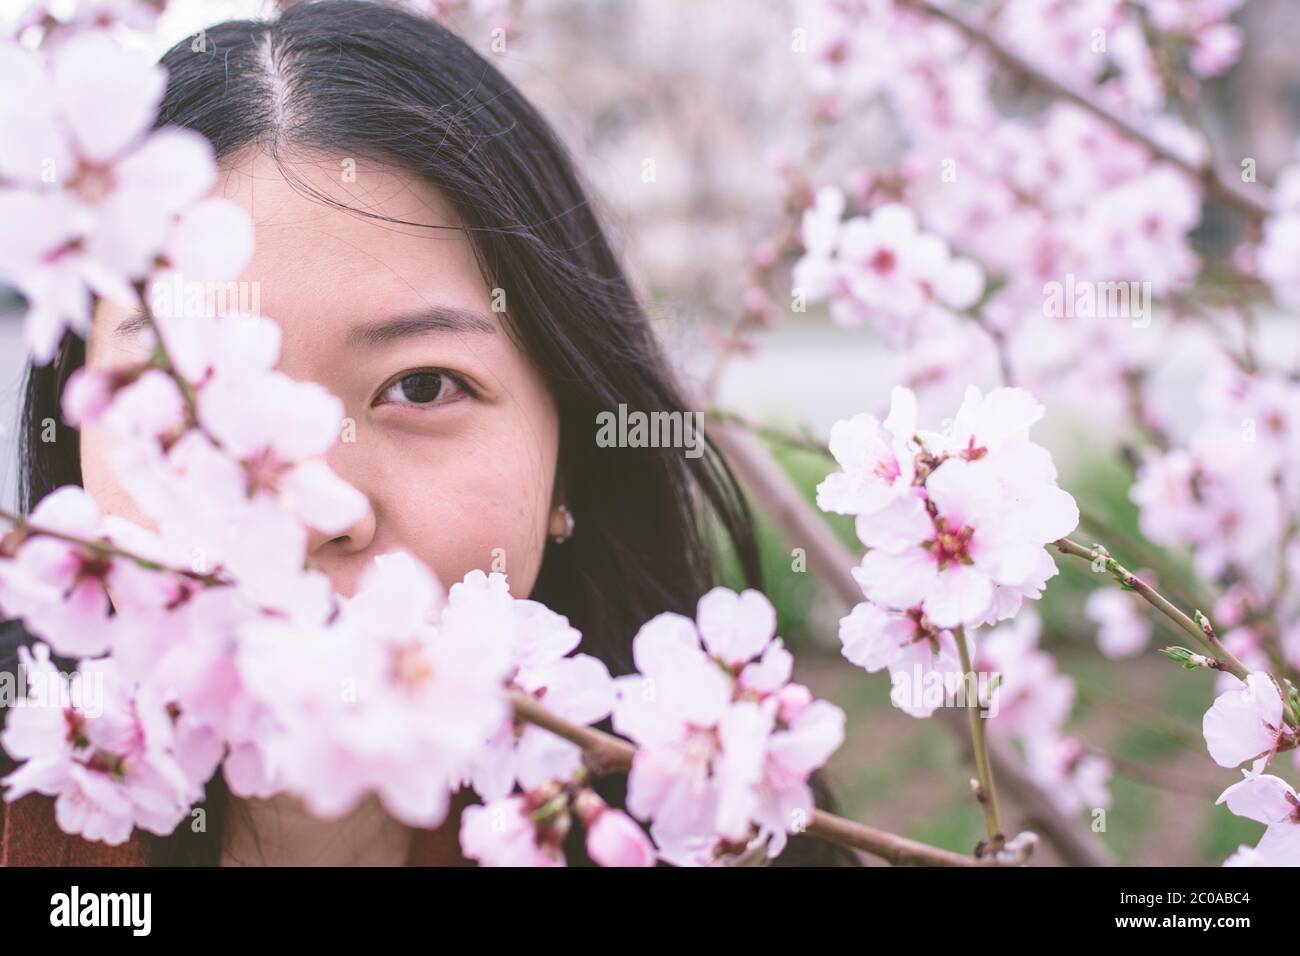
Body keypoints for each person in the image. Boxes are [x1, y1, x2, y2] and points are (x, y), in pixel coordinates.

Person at [0, 0, 856, 866]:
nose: (313, 513)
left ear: (568, 459)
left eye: (421, 386)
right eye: (187, 407)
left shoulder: (722, 827)